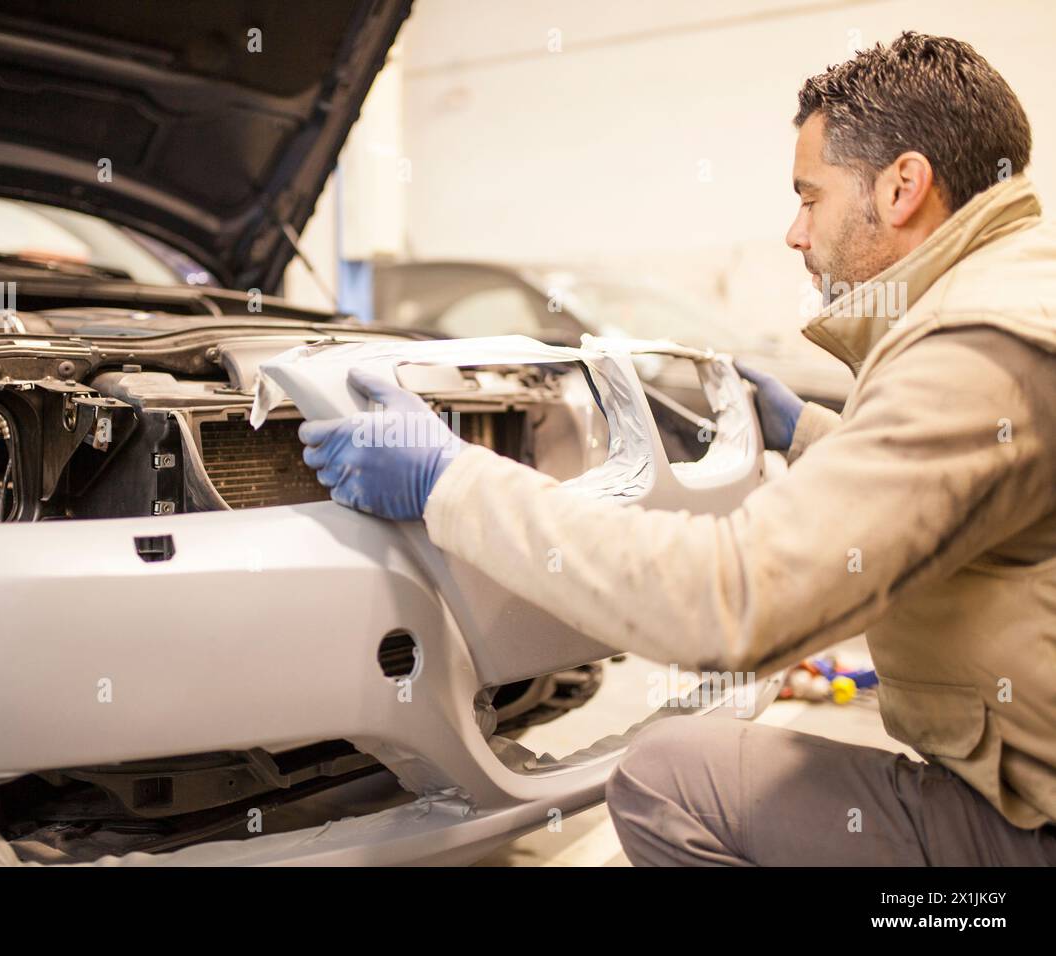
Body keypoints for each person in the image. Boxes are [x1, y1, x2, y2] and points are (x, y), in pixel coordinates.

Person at [297, 32, 1056, 865]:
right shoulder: (1019, 293)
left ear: (903, 186)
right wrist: (803, 433)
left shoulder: (974, 346)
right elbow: (968, 501)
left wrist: (450, 480)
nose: (796, 233)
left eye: (811, 196)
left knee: (667, 779)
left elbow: (730, 601)